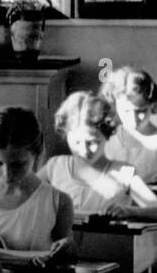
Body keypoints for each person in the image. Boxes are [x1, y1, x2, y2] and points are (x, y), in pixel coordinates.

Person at [0, 107, 75, 265]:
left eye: (18, 165)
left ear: (36, 155)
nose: (7, 174)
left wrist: (67, 249)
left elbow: (65, 254)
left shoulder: (59, 202)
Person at [40, 91, 157, 220]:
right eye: (77, 142)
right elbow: (23, 196)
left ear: (107, 136)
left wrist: (131, 212)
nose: (84, 150)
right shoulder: (55, 167)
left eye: (92, 142)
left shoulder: (123, 173)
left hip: (106, 240)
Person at [101, 66, 157, 181]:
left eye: (141, 111)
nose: (133, 119)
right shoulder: (111, 139)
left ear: (152, 106)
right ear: (115, 106)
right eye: (126, 111)